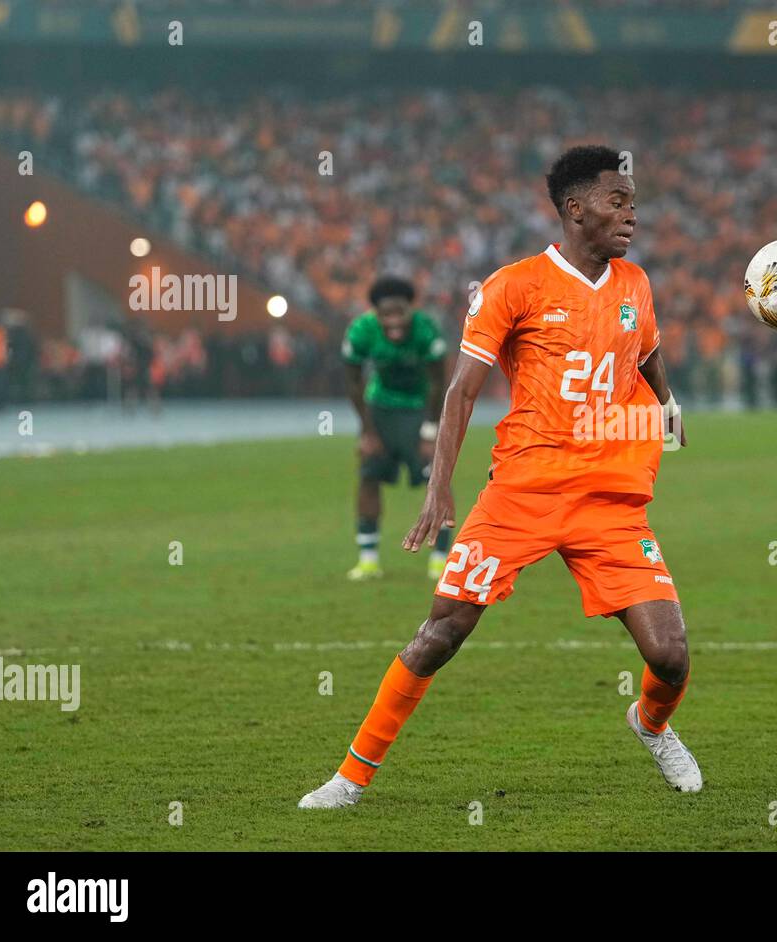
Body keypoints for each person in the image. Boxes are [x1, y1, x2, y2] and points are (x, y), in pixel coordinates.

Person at [299, 145, 699, 809]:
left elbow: (647, 354)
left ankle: (651, 724)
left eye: (633, 202)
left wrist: (668, 406)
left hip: (610, 500)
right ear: (575, 209)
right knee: (441, 633)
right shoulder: (513, 285)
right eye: (617, 201)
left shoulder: (636, 283)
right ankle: (351, 777)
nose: (631, 214)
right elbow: (459, 392)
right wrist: (439, 486)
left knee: (671, 656)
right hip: (524, 492)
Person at [342, 276, 453, 581]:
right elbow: (353, 380)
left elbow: (438, 383)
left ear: (410, 310)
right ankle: (368, 560)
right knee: (368, 477)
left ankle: (440, 562)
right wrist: (367, 431)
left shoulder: (427, 330)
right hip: (380, 408)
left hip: (419, 408)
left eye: (399, 313)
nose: (393, 322)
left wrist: (430, 431)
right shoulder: (361, 330)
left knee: (437, 478)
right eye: (385, 315)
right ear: (375, 314)